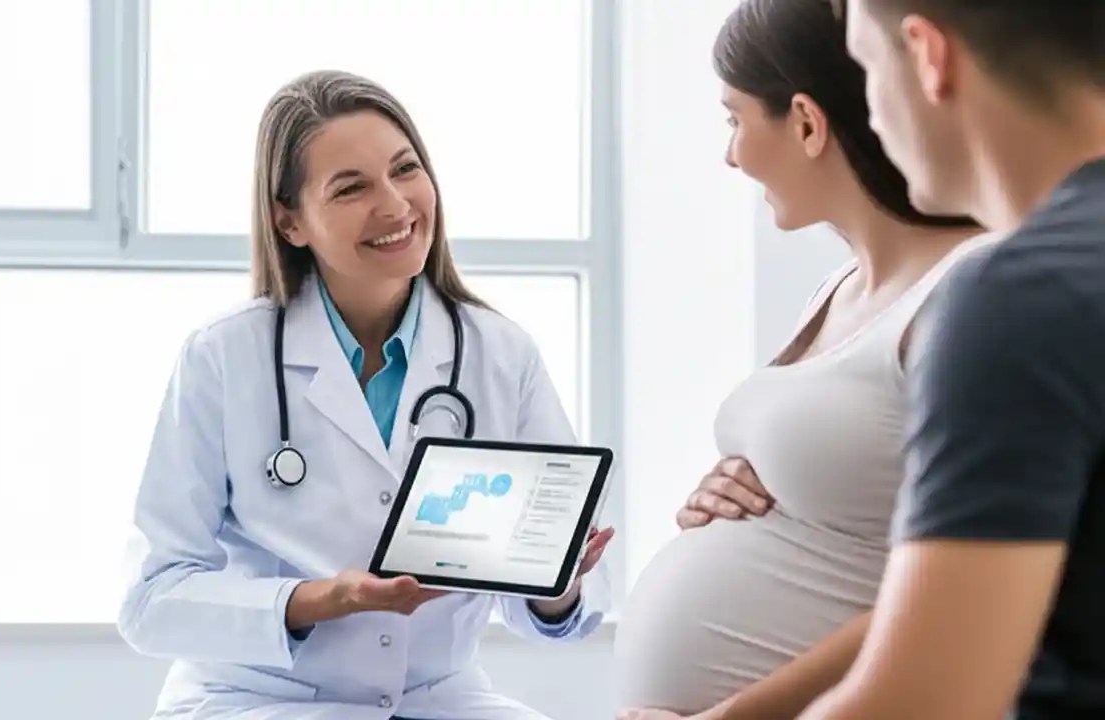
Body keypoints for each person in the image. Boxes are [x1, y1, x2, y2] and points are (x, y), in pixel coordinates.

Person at [116, 69, 613, 720]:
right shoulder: (225, 358)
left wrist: (561, 577)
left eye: (405, 170)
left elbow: (554, 616)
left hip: (438, 698)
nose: (396, 205)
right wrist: (321, 599)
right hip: (260, 700)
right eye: (351, 188)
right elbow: (151, 602)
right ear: (289, 221)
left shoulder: (500, 355)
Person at [612, 0, 992, 717]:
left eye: (734, 120)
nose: (730, 155)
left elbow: (964, 585)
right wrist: (733, 494)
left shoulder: (969, 289)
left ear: (808, 123)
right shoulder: (839, 287)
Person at [792, 1, 1105, 718]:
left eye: (866, 68)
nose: (869, 115)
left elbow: (920, 704)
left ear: (929, 55)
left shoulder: (1024, 292)